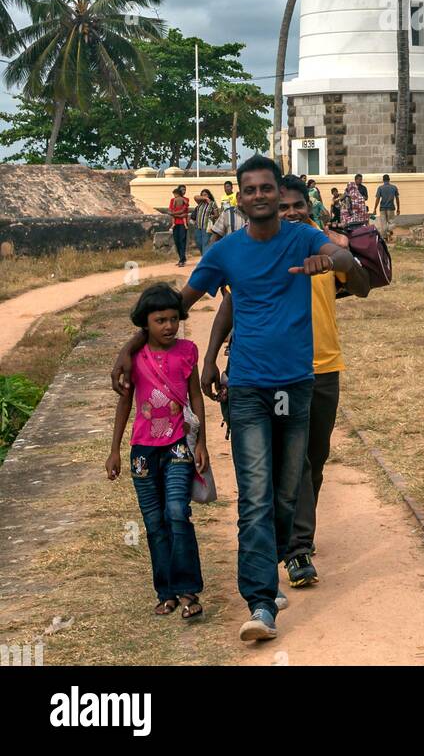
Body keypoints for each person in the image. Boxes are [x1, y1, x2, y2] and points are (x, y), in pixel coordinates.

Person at [111, 155, 356, 645]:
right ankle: (261, 603)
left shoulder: (303, 236)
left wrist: (330, 259)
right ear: (240, 198)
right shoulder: (225, 253)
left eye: (268, 188)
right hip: (246, 389)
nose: (261, 196)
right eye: (252, 190)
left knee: (287, 491)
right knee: (257, 494)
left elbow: (346, 259)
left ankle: (277, 556)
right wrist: (133, 343)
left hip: (296, 387)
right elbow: (178, 307)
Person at [203, 179, 370, 589]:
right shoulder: (265, 252)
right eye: (286, 206)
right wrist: (209, 355)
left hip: (323, 369)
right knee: (287, 464)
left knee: (313, 460)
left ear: (309, 209)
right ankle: (297, 550)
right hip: (272, 374)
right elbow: (231, 304)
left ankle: (291, 530)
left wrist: (343, 260)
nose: (292, 212)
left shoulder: (323, 249)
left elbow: (364, 287)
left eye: (299, 205)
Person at [105, 283, 207, 620]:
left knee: (177, 512)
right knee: (153, 523)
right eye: (160, 320)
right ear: (145, 323)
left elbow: (195, 399)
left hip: (178, 446)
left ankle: (189, 590)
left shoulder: (187, 351)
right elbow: (124, 403)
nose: (168, 326)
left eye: (174, 319)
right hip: (142, 452)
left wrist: (201, 441)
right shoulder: (134, 358)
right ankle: (166, 592)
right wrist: (115, 450)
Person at [191, 189, 219, 256]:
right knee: (199, 243)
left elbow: (217, 215)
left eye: (206, 194)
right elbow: (195, 197)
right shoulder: (200, 203)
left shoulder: (212, 203)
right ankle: (205, 256)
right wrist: (205, 198)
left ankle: (204, 259)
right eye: (202, 195)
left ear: (209, 195)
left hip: (206, 227)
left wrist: (213, 216)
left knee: (205, 243)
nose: (204, 196)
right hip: (198, 226)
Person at [373, 174, 400, 239]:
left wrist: (375, 208)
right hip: (391, 208)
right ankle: (389, 231)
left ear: (383, 180)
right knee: (391, 222)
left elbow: (378, 199)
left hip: (382, 208)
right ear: (389, 179)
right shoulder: (394, 187)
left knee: (383, 223)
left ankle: (385, 237)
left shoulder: (380, 188)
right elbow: (397, 199)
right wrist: (398, 208)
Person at [168, 186, 190, 266]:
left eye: (185, 189)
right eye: (182, 189)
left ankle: (182, 260)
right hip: (176, 223)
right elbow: (170, 210)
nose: (184, 191)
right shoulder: (173, 200)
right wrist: (179, 215)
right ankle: (182, 258)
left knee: (182, 241)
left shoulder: (186, 199)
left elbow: (184, 210)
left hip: (182, 223)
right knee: (177, 241)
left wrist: (174, 214)